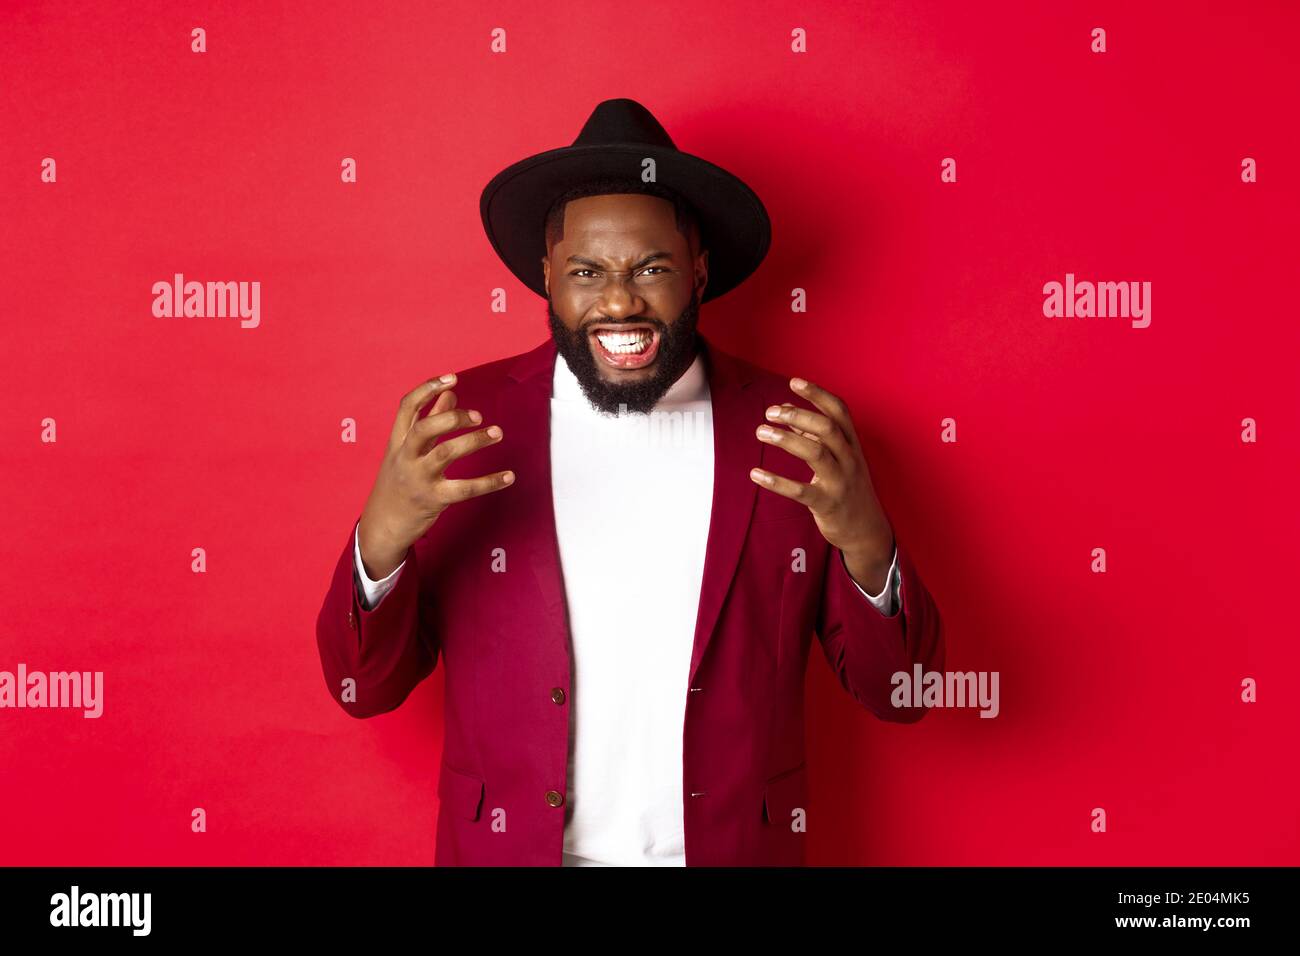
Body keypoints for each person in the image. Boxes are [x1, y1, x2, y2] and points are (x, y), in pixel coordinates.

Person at [316, 97, 944, 866]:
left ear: (700, 272)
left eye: (652, 269)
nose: (619, 302)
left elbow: (901, 693)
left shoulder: (797, 431)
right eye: (586, 272)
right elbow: (365, 688)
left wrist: (864, 540)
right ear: (547, 276)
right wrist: (382, 538)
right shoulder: (458, 428)